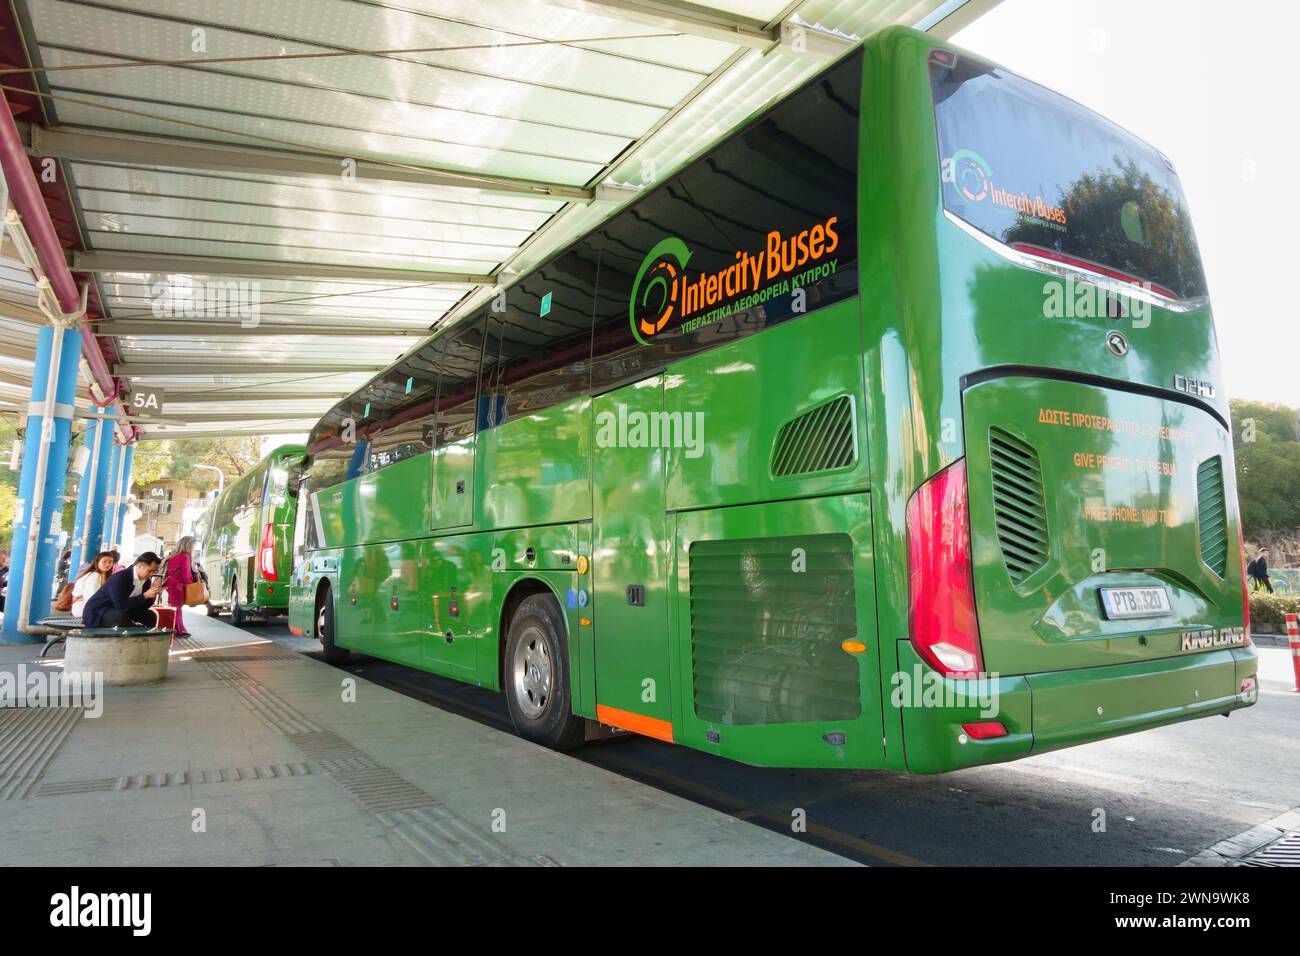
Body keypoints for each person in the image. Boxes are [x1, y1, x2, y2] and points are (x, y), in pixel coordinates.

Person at [81, 552, 163, 629]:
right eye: (150, 570)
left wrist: (152, 595)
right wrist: (145, 595)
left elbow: (142, 607)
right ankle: (129, 638)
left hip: (121, 610)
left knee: (150, 615)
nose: (151, 574)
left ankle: (145, 640)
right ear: (140, 566)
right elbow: (120, 604)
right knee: (120, 617)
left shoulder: (146, 581)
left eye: (154, 571)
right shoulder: (121, 577)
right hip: (99, 612)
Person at [163, 536, 198, 638]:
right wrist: (191, 586)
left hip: (170, 586)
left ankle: (177, 629)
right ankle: (178, 630)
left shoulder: (172, 556)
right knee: (177, 609)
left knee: (175, 608)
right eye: (193, 546)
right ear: (189, 545)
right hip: (178, 586)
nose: (194, 549)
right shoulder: (185, 557)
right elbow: (186, 575)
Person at [70, 551, 116, 617]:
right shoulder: (95, 575)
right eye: (104, 561)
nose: (108, 564)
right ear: (97, 562)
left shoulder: (103, 575)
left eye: (110, 562)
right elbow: (91, 597)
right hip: (83, 608)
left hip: (89, 607)